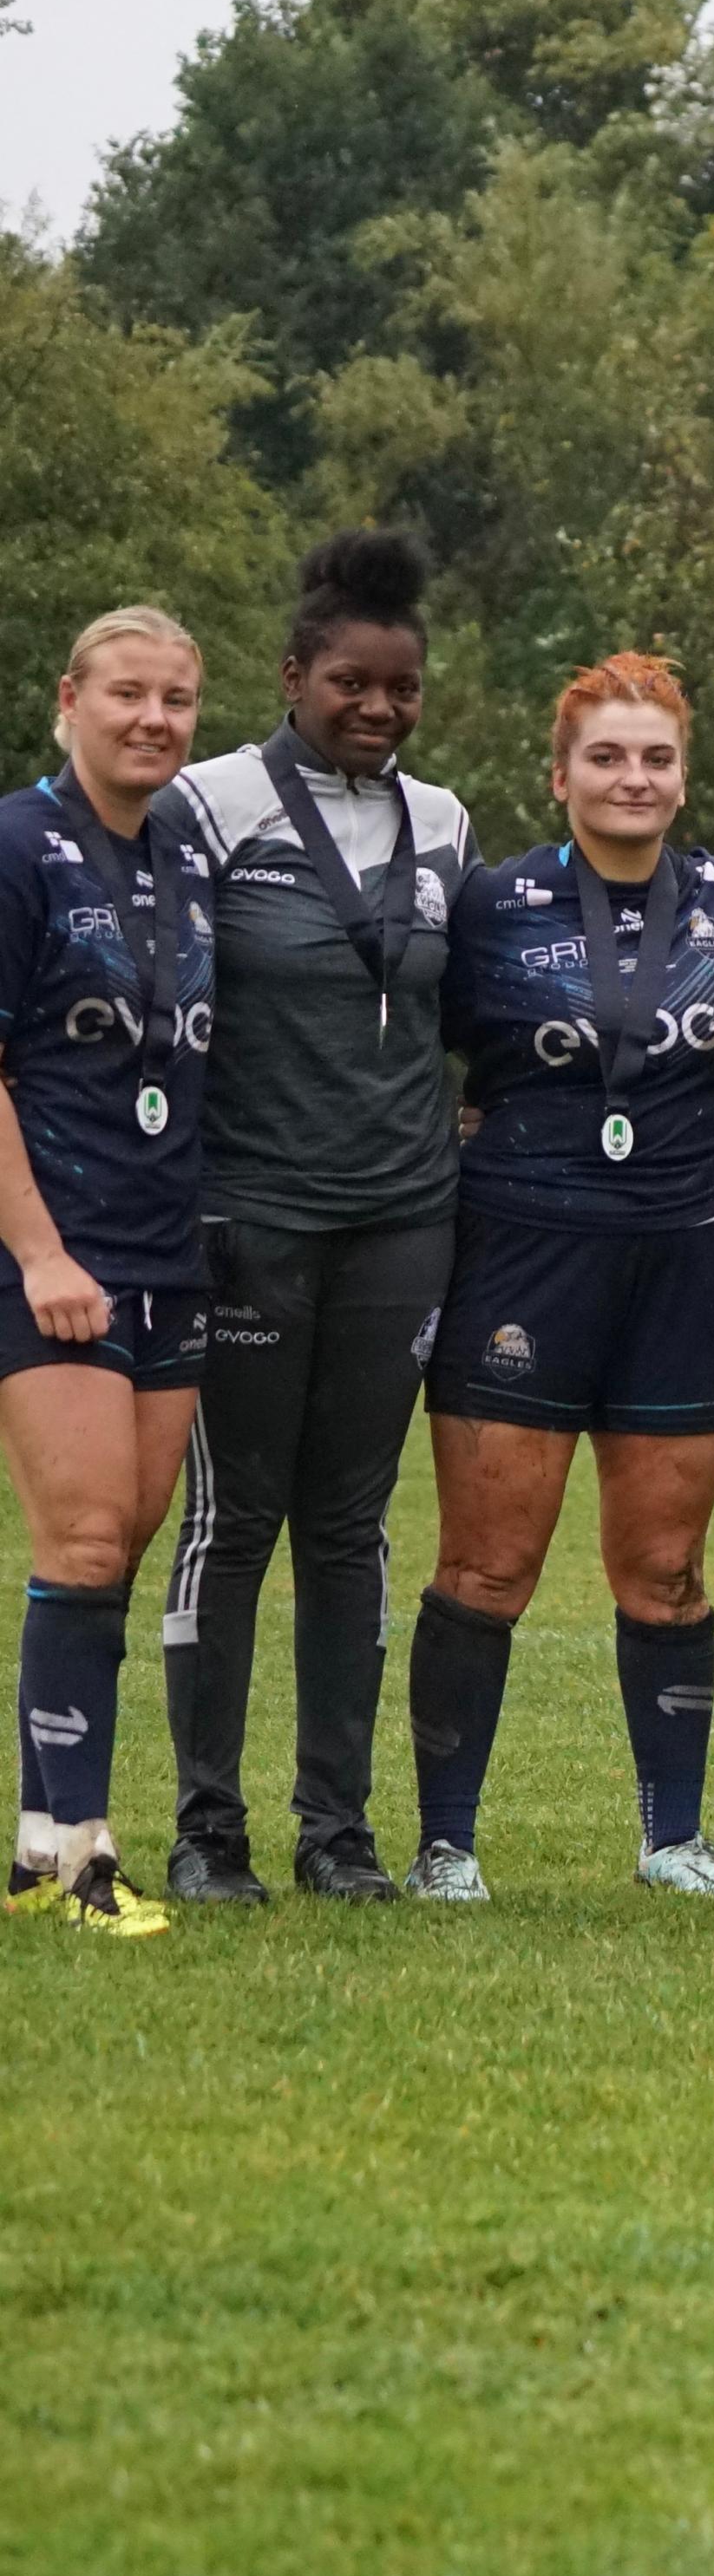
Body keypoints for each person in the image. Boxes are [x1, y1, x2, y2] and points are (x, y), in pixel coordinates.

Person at [409, 655, 714, 1899]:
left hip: (682, 1263)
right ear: (561, 774)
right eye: (608, 757)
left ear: (685, 777)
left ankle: (673, 1838)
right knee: (487, 1566)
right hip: (522, 1254)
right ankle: (446, 1846)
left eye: (657, 757)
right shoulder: (487, 906)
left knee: (667, 1568)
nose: (634, 778)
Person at [157, 530, 474, 1904]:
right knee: (236, 1518)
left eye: (400, 689)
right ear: (293, 676)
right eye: (351, 682)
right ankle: (206, 1824)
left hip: (402, 1217)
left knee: (352, 1524)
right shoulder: (209, 805)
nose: (378, 709)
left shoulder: (448, 822)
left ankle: (335, 1828)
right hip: (251, 1214)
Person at [0, 611, 218, 1940]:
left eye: (178, 699)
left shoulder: (186, 849)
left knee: (115, 1548)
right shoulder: (17, 846)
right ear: (70, 699)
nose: (154, 718)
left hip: (164, 1251)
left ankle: (31, 1844)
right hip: (48, 1251)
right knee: (82, 1537)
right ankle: (85, 1859)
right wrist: (36, 1251)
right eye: (128, 693)